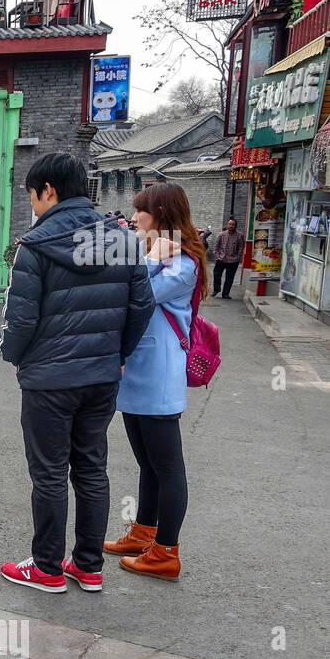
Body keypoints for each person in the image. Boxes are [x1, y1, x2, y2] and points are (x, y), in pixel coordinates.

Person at [0, 152, 154, 595]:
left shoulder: (35, 244)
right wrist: (114, 353)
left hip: (49, 381)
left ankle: (46, 567)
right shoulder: (123, 240)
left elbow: (19, 320)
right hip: (101, 378)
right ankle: (87, 566)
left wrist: (15, 357)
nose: (33, 205)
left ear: (48, 190)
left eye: (32, 195)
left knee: (48, 473)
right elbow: (142, 308)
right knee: (90, 468)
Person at [104, 182, 209, 582]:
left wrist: (150, 258)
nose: (133, 218)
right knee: (147, 462)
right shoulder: (157, 254)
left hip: (160, 375)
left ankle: (166, 551)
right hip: (137, 372)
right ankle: (143, 532)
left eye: (140, 212)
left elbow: (137, 293)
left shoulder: (184, 262)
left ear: (161, 215)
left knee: (167, 466)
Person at [212, 217, 243, 299]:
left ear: (236, 226)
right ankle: (216, 289)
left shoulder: (239, 236)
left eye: (233, 224)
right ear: (227, 225)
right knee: (216, 275)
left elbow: (241, 248)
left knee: (229, 278)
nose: (231, 226)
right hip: (221, 259)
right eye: (230, 224)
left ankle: (225, 293)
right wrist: (217, 256)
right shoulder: (221, 235)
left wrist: (238, 257)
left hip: (233, 261)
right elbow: (216, 247)